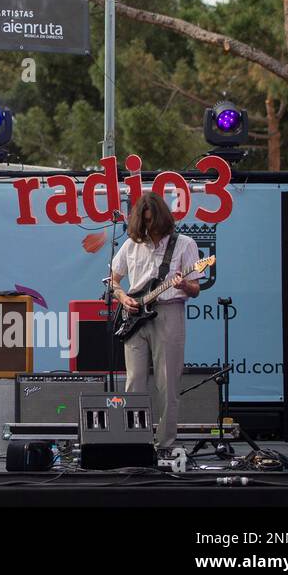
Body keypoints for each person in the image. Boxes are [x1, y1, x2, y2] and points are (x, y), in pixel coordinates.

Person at [109, 191, 202, 450]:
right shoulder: (131, 244)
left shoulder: (184, 244)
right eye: (144, 221)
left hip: (168, 312)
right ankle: (132, 440)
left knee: (167, 383)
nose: (149, 227)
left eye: (152, 221)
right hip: (135, 315)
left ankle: (164, 444)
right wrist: (122, 296)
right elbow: (114, 281)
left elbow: (196, 288)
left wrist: (184, 284)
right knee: (134, 381)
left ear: (162, 218)